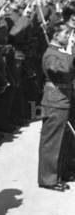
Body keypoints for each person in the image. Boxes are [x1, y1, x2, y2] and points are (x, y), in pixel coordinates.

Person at [38, 22, 72, 191]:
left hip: (63, 99)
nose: (68, 37)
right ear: (56, 35)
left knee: (62, 140)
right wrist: (70, 52)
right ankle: (48, 179)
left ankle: (59, 173)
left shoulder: (60, 52)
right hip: (54, 100)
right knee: (52, 141)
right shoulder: (50, 54)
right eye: (65, 34)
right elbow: (62, 70)